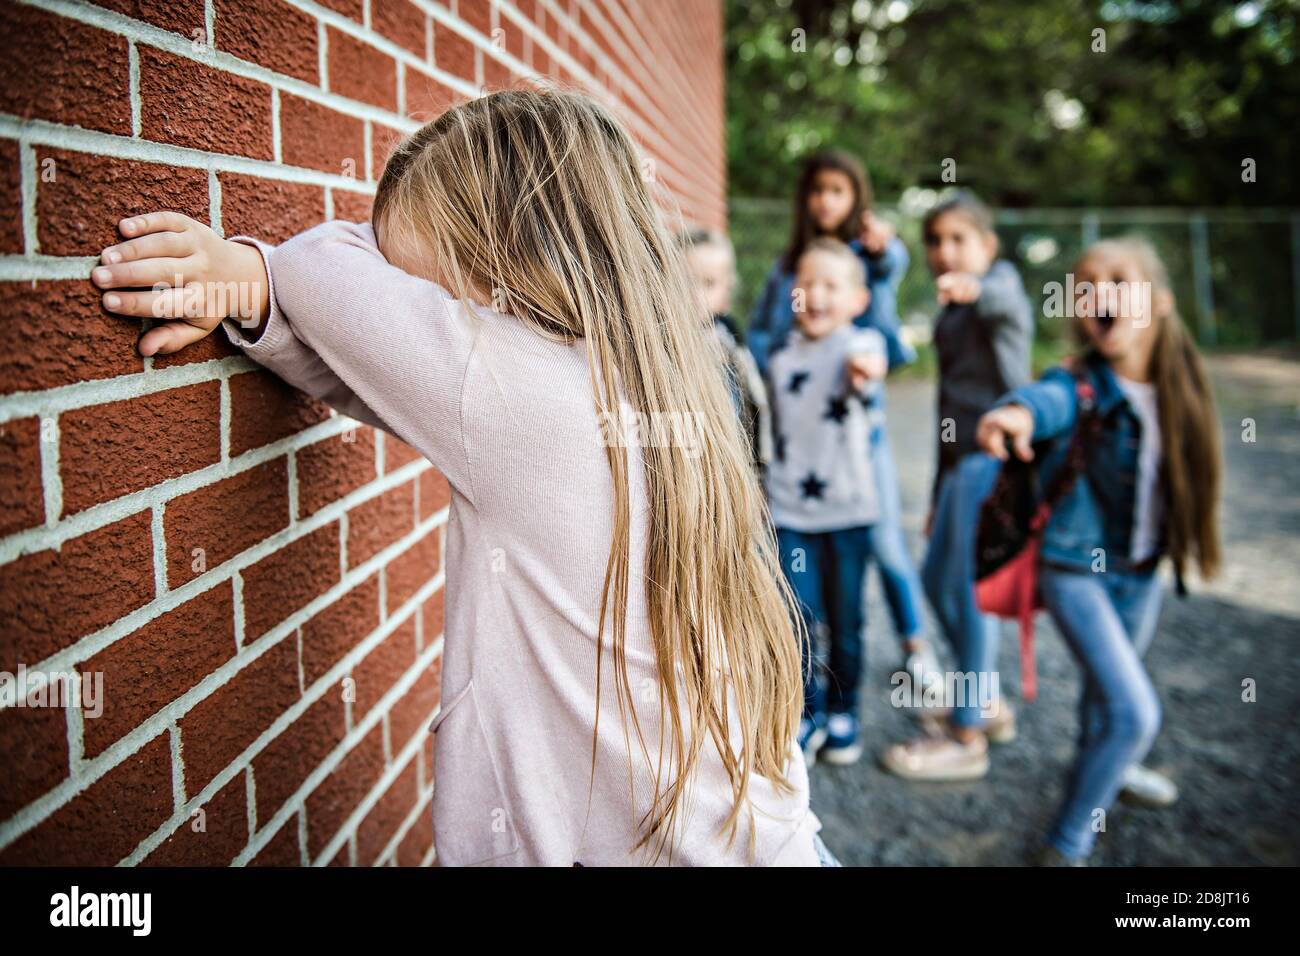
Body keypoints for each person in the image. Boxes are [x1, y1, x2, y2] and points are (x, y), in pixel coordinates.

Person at [90, 88, 831, 866]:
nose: (415, 308)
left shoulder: (516, 393)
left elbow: (323, 276)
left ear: (501, 263)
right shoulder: (666, 375)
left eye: (425, 287)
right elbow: (376, 371)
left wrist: (251, 271)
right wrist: (262, 303)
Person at [976, 237, 1220, 863]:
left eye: (1116, 278)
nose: (1096, 292)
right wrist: (1015, 416)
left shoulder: (1181, 389)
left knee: (1105, 701)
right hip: (1074, 567)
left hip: (1140, 573)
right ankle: (1066, 841)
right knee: (1135, 712)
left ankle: (1109, 772)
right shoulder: (1080, 385)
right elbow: (1045, 400)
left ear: (1160, 303)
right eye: (1084, 284)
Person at [750, 150, 937, 690]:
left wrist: (887, 257)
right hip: (797, 430)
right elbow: (763, 330)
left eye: (838, 190)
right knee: (798, 559)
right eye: (817, 190)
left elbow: (887, 333)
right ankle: (807, 671)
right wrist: (779, 360)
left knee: (883, 541)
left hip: (859, 427)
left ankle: (914, 643)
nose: (826, 200)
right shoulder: (787, 269)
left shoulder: (870, 259)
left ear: (856, 197)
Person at [882, 192, 1033, 780]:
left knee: (972, 593)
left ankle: (967, 733)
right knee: (933, 579)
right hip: (960, 468)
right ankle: (984, 696)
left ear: (987, 246)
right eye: (936, 241)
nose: (946, 253)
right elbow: (951, 404)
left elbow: (1000, 298)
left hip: (994, 462)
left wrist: (977, 287)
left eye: (959, 240)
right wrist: (940, 491)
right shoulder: (949, 309)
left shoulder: (1002, 287)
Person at [767, 238, 889, 767]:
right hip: (790, 511)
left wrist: (866, 374)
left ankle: (844, 710)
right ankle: (804, 711)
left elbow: (871, 367)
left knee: (847, 621)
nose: (816, 294)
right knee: (796, 617)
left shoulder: (858, 347)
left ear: (857, 300)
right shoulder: (778, 360)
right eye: (807, 283)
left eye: (830, 285)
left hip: (848, 514)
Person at [679, 228, 772, 471]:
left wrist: (758, 462)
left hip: (728, 456)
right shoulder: (663, 338)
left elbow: (754, 399)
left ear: (727, 288)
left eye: (709, 284)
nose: (695, 294)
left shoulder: (730, 340)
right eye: (685, 281)